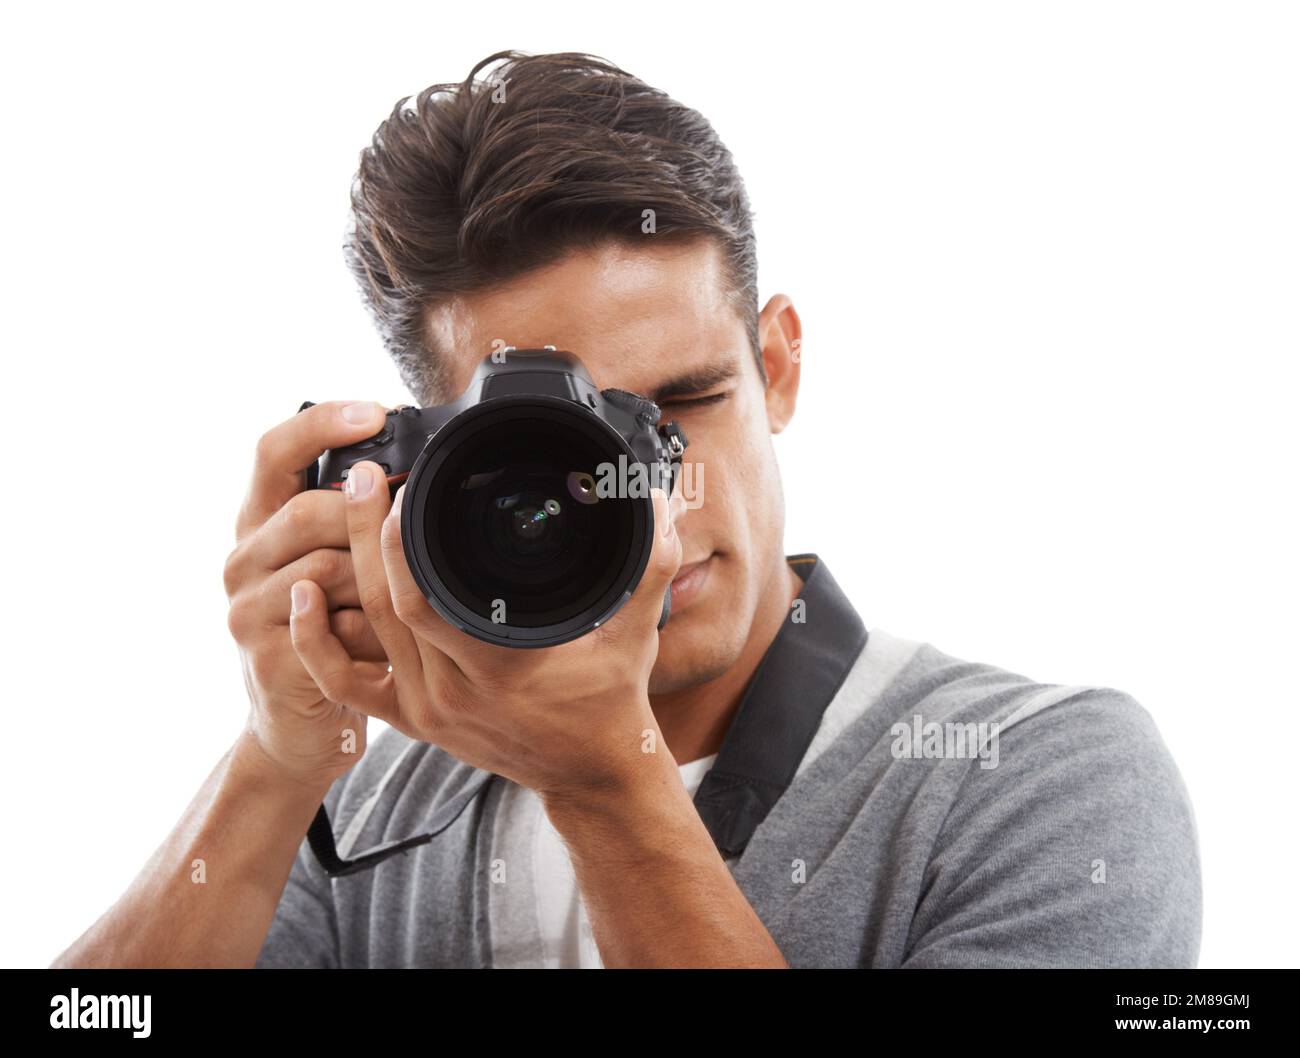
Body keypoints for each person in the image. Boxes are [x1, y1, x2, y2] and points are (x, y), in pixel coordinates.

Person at [51, 50, 1201, 969]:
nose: (640, 507)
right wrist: (276, 757)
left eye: (678, 410)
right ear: (433, 462)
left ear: (778, 366)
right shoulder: (378, 799)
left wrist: (608, 786)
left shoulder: (1040, 777)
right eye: (556, 451)